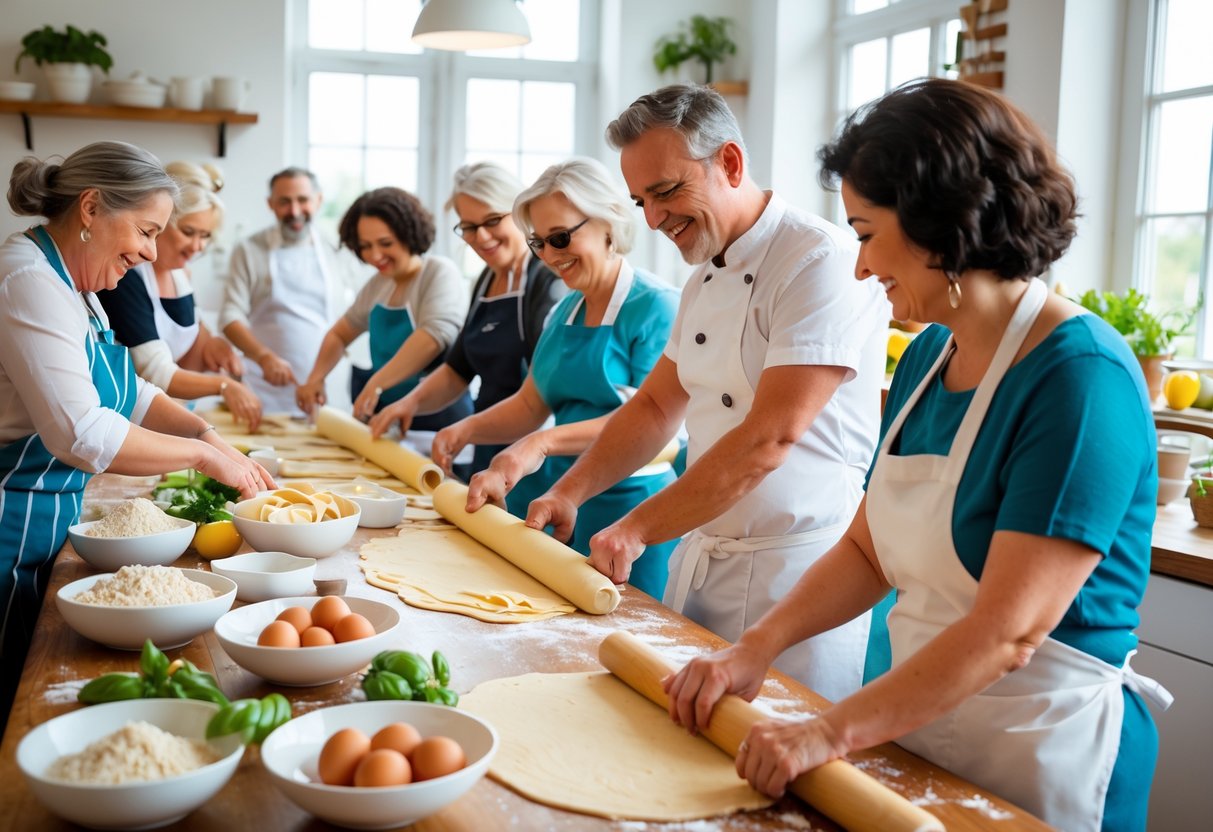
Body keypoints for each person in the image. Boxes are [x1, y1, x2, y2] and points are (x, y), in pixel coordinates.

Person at [665, 79, 1172, 832]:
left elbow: (1008, 631)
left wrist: (827, 730)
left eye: (866, 233)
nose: (861, 268)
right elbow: (868, 551)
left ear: (941, 221)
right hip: (918, 723)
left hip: (1045, 754)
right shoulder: (931, 353)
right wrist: (755, 648)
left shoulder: (1078, 377)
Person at [524, 85, 888, 701]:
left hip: (795, 580)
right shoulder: (702, 277)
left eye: (665, 192)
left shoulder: (817, 259)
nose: (653, 220)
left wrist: (636, 528)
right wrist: (569, 491)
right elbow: (657, 405)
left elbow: (770, 437)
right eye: (641, 201)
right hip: (706, 558)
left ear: (730, 163)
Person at [0, 141, 273, 723]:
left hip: (45, 524)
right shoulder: (27, 281)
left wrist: (207, 433)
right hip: (8, 527)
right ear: (92, 208)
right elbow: (81, 432)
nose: (151, 252)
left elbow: (132, 392)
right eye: (147, 231)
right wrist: (201, 457)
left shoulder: (78, 288)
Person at [431, 158, 680, 598]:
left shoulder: (657, 307)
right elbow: (531, 403)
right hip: (562, 501)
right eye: (539, 243)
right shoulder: (566, 310)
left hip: (631, 509)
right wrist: (465, 429)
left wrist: (541, 442)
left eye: (561, 238)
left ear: (608, 223)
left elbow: (648, 420)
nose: (550, 256)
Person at [368, 162, 565, 477]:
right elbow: (458, 370)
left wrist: (465, 429)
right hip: (487, 447)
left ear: (519, 212)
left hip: (534, 458)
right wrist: (410, 403)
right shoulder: (486, 280)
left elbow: (540, 396)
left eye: (491, 221)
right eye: (469, 226)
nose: (480, 236)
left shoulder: (546, 280)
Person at [97, 161, 263, 431]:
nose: (196, 247)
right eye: (188, 232)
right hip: (122, 426)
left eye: (205, 236)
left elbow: (189, 334)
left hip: (163, 422)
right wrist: (223, 386)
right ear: (161, 223)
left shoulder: (182, 275)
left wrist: (211, 344)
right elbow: (157, 372)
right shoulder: (126, 277)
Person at [296, 187, 472, 430]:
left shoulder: (438, 272)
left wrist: (376, 383)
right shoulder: (378, 284)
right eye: (365, 246)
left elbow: (433, 336)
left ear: (409, 233)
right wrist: (316, 378)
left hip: (439, 422)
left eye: (385, 243)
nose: (375, 255)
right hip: (387, 420)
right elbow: (340, 333)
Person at [220, 167, 363, 414]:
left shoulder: (339, 250)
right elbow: (230, 316)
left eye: (303, 200)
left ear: (318, 201)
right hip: (265, 392)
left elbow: (355, 314)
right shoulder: (249, 249)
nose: (295, 211)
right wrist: (263, 356)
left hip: (328, 388)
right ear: (270, 204)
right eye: (284, 202)